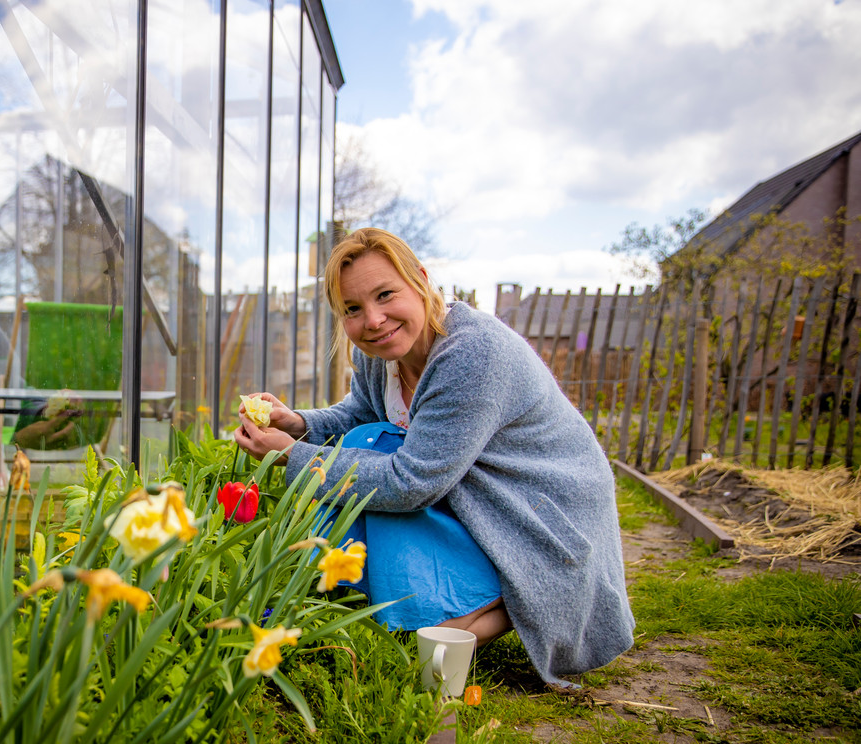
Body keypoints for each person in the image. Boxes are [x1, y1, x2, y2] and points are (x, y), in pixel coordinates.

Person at [233, 228, 634, 686]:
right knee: (371, 440)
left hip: (541, 508)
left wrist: (296, 458)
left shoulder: (473, 352)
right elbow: (362, 413)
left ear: (420, 279)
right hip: (470, 487)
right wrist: (299, 425)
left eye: (386, 295)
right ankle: (416, 593)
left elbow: (411, 482)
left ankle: (516, 594)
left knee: (434, 634)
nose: (374, 319)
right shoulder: (380, 352)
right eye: (352, 309)